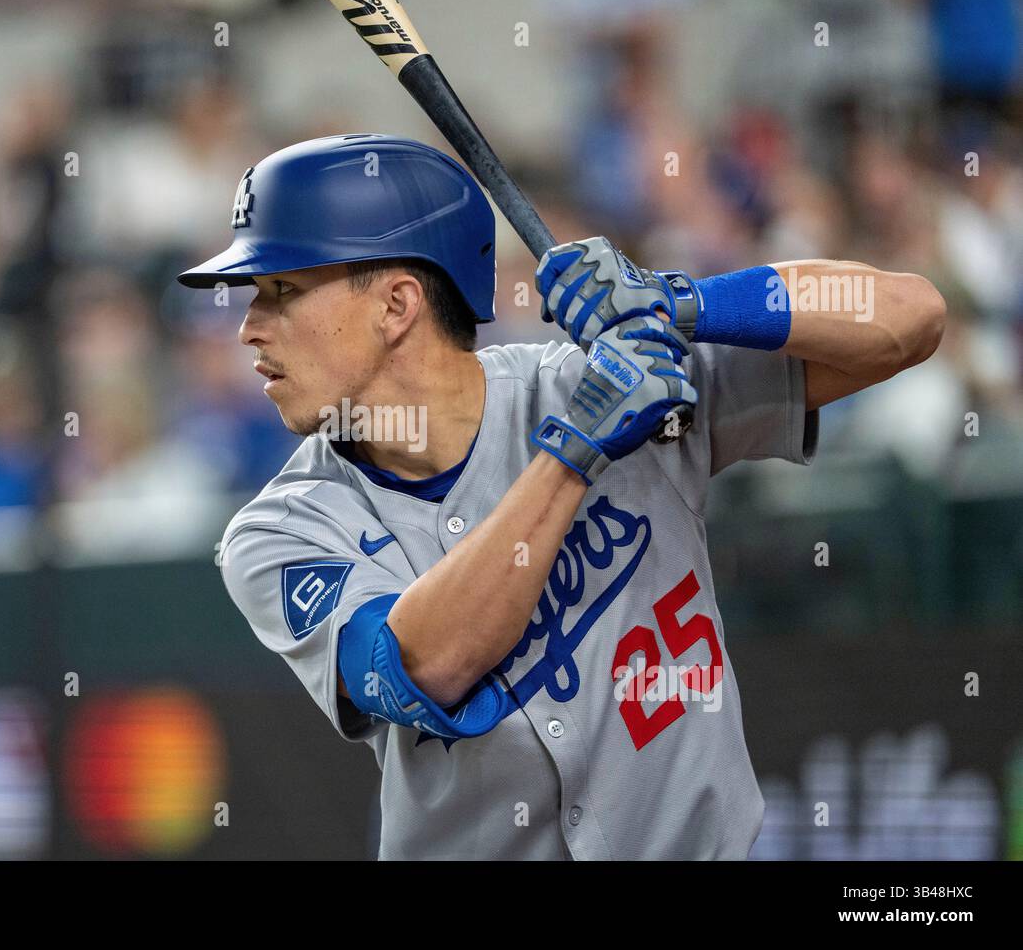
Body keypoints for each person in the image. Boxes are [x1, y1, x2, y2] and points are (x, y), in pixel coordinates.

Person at [179, 134, 945, 859]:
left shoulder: (600, 382)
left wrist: (679, 302)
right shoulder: (280, 527)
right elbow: (425, 665)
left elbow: (912, 316)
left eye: (281, 290)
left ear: (397, 304)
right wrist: (573, 452)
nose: (247, 327)